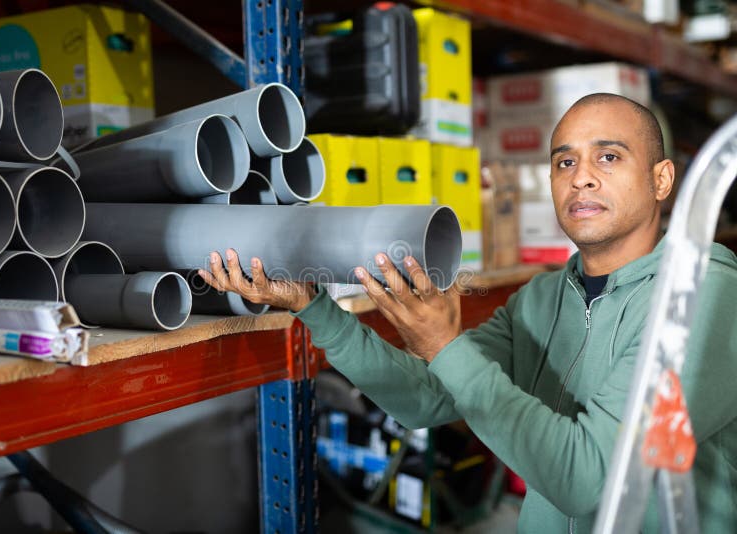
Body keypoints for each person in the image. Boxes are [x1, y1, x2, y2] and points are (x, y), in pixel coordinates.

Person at [198, 93, 737, 532]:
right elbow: (428, 398)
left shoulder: (704, 295)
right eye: (564, 161)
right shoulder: (542, 297)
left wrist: (443, 346)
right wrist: (313, 306)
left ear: (663, 179)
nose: (582, 177)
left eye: (609, 156)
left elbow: (588, 478)